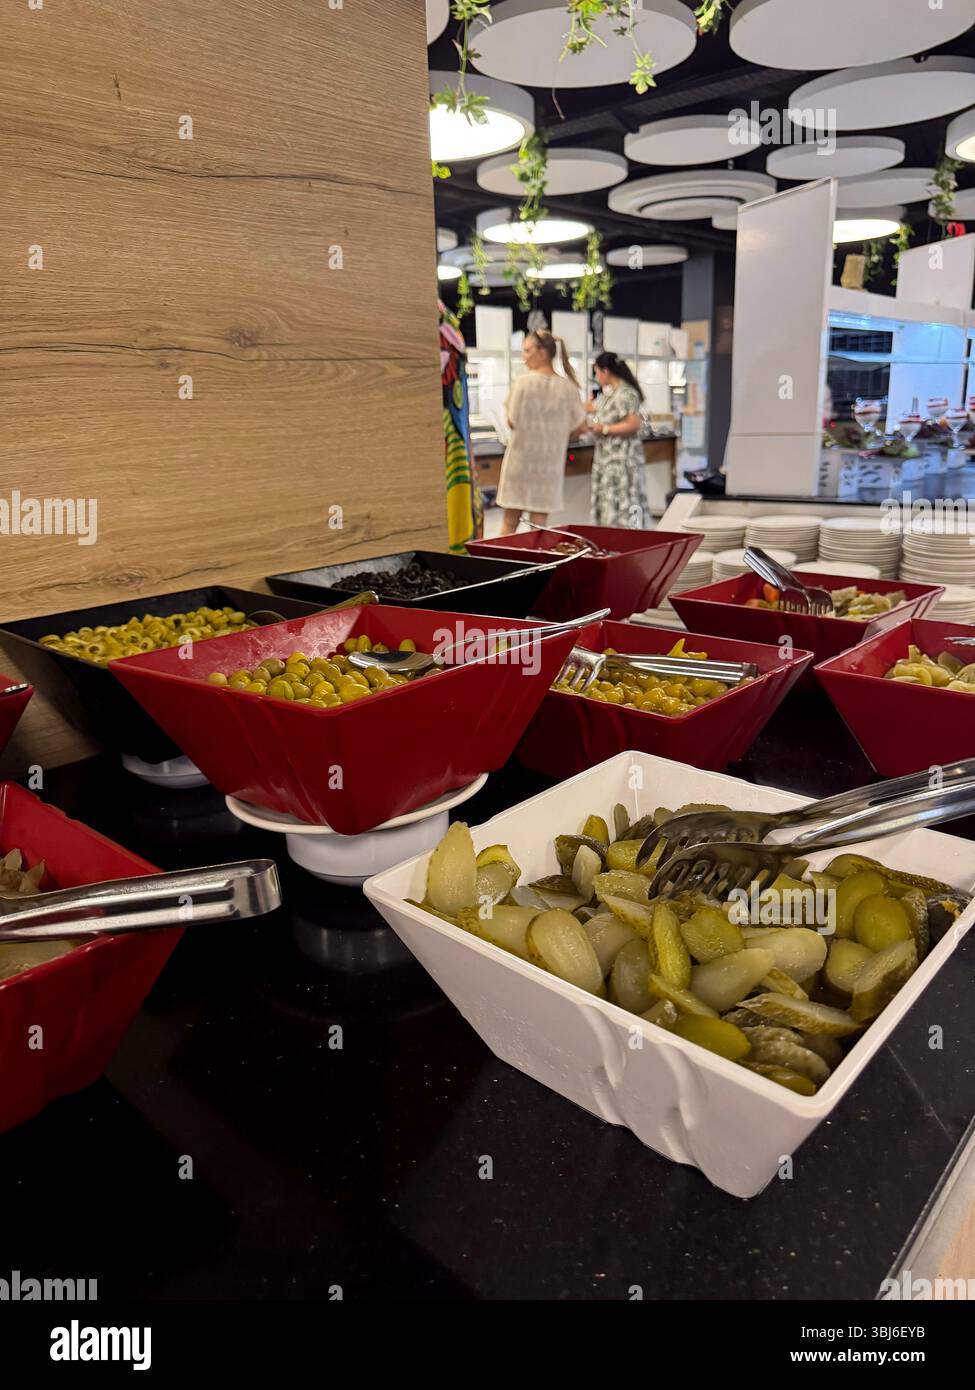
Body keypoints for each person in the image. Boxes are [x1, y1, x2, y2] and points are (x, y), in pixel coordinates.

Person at [496, 330, 587, 534]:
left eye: (527, 351)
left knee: (509, 523)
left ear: (543, 352)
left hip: (520, 461)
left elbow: (512, 421)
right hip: (549, 465)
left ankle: (503, 565)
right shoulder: (568, 388)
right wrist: (559, 433)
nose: (524, 356)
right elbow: (581, 427)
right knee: (538, 528)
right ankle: (537, 565)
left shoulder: (523, 382)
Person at [588, 351, 650, 528]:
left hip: (622, 461)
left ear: (605, 371)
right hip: (608, 462)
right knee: (610, 503)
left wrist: (605, 429)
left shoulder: (626, 393)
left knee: (627, 501)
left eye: (597, 372)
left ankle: (631, 537)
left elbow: (633, 423)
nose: (597, 376)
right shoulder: (611, 395)